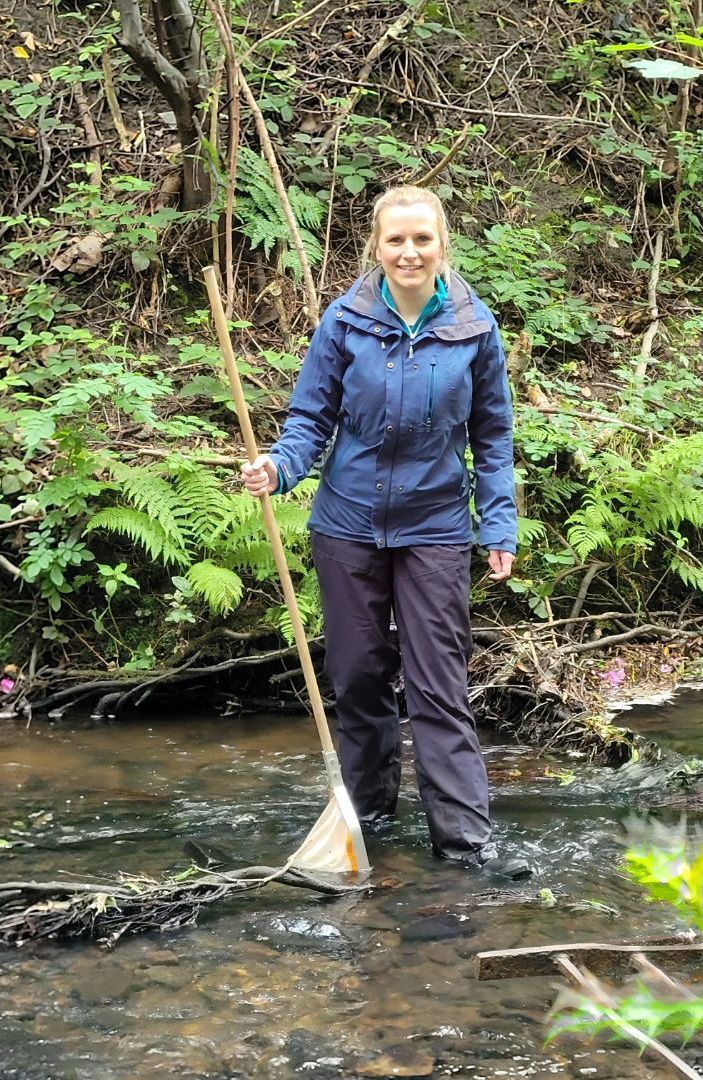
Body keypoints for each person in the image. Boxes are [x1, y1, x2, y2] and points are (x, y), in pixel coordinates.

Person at [240, 185, 529, 879]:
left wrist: (498, 522)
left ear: (441, 245)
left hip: (435, 526)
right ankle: (366, 816)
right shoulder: (345, 322)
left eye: (421, 239)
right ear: (376, 246)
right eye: (395, 240)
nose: (409, 252)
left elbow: (493, 435)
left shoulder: (474, 327)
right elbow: (310, 421)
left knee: (438, 685)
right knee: (360, 677)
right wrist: (279, 468)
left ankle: (465, 843)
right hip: (347, 524)